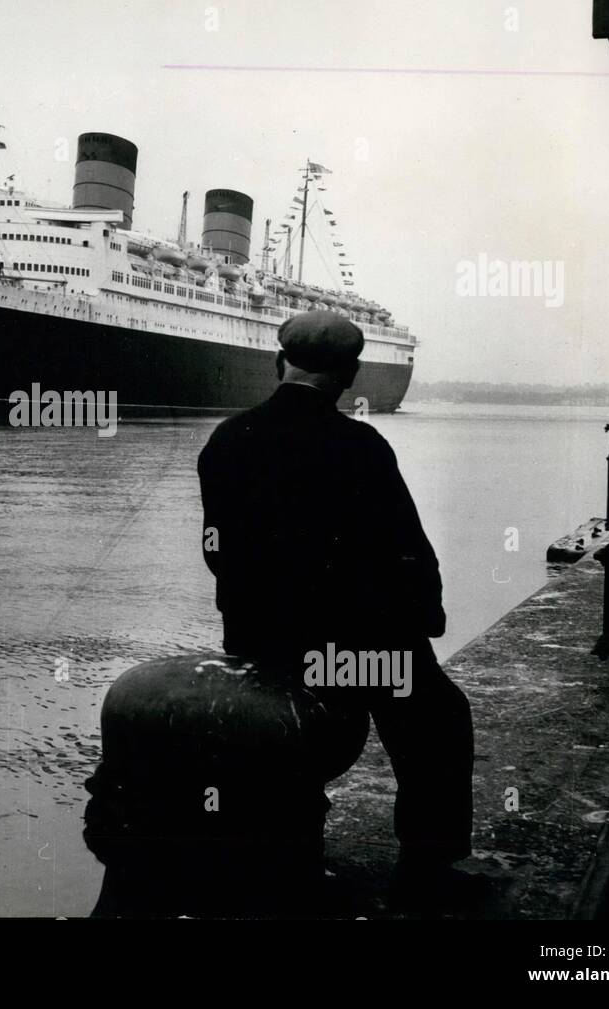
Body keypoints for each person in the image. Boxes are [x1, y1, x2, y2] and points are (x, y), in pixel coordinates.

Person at [196, 309, 482, 911]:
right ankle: (424, 872)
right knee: (439, 723)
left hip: (261, 638)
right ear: (350, 376)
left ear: (279, 364)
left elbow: (217, 547)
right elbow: (404, 546)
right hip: (353, 649)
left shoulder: (227, 438)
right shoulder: (360, 444)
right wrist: (424, 619)